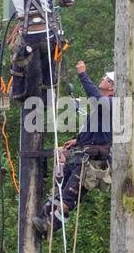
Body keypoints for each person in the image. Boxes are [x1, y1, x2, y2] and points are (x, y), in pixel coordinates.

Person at [34, 61, 114, 235]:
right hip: (81, 157)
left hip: (90, 162)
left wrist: (83, 75)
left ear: (112, 87)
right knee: (59, 194)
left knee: (68, 199)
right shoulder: (103, 107)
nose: (102, 78)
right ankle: (42, 221)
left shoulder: (112, 104)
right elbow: (93, 131)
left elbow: (94, 96)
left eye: (106, 78)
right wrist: (77, 141)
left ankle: (50, 226)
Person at [6, 0, 74, 96]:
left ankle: (18, 91)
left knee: (19, 64)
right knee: (49, 67)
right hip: (47, 36)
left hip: (26, 37)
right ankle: (48, 91)